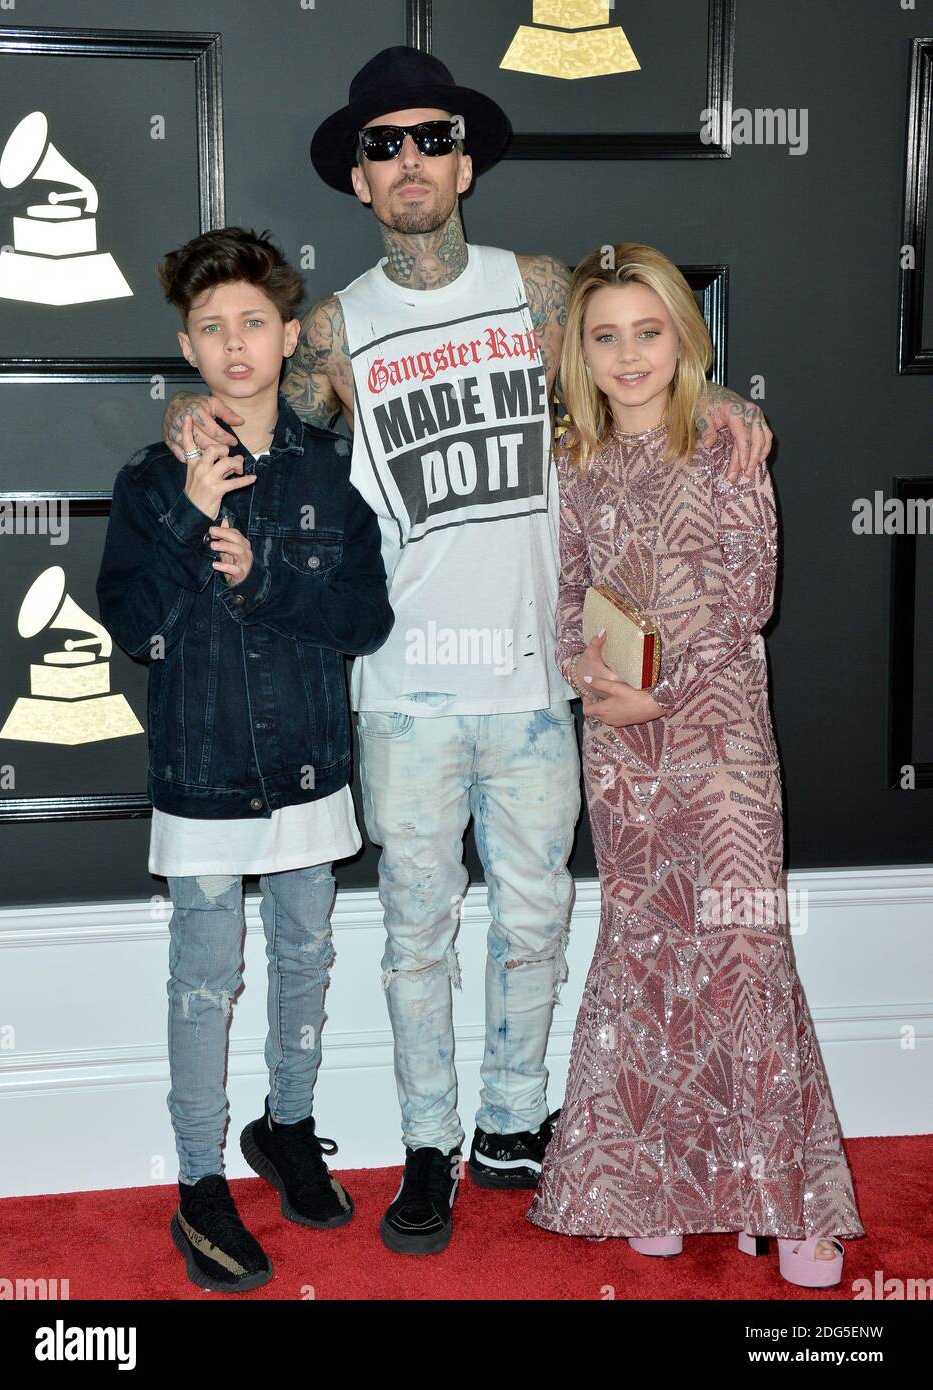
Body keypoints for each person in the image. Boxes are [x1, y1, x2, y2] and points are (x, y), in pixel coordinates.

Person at [158, 47, 773, 1257]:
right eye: (382, 146)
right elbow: (245, 404)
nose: (408, 162)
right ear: (357, 178)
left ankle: (509, 1123)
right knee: (419, 934)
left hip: (543, 686)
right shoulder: (330, 329)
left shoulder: (540, 289)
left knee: (538, 917)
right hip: (402, 694)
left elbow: (636, 372)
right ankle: (428, 1145)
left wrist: (728, 408)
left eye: (429, 138)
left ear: (466, 158)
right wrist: (188, 417)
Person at [525, 243, 864, 1288]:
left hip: (718, 750)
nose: (629, 355)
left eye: (650, 331)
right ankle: (655, 1182)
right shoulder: (572, 457)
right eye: (606, 335)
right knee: (645, 957)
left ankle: (789, 1204)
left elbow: (746, 600)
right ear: (581, 351)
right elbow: (568, 592)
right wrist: (590, 677)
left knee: (744, 958)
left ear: (685, 338)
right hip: (620, 752)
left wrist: (657, 695)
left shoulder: (722, 440)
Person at [96, 226, 394, 1292]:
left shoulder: (330, 474)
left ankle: (289, 1124)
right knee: (203, 980)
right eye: (213, 328)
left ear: (289, 336)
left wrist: (266, 576)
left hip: (311, 765)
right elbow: (132, 623)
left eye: (253, 325)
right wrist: (193, 514)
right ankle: (196, 1180)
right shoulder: (149, 479)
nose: (234, 344)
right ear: (187, 342)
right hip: (205, 771)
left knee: (308, 957)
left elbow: (364, 618)